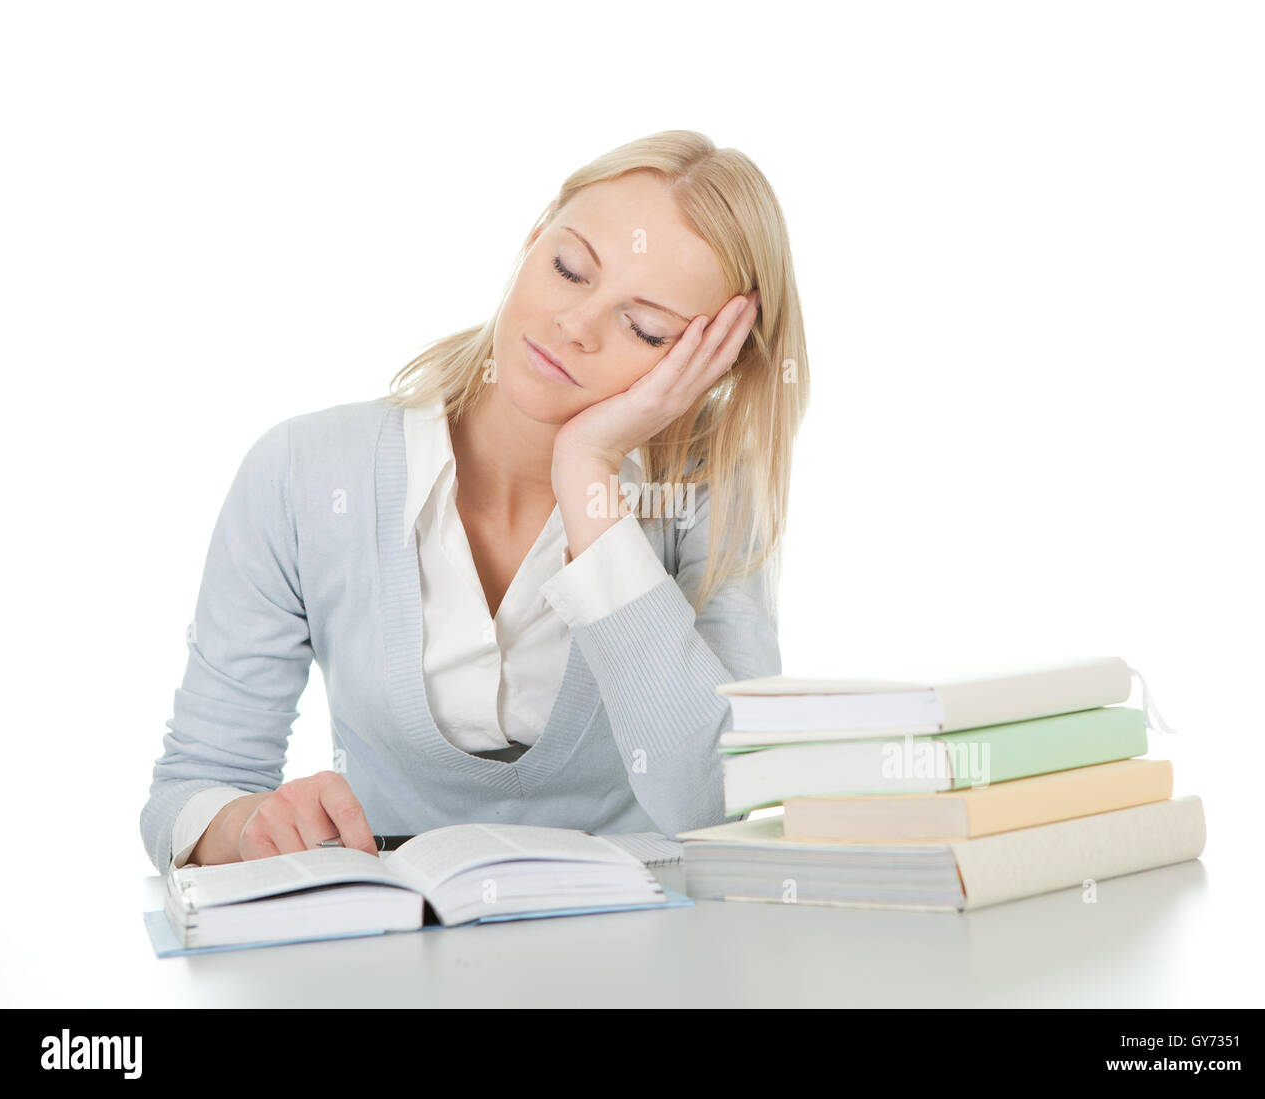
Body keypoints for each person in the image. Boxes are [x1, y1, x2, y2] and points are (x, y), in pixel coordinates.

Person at [140, 129, 811, 873]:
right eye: (569, 268)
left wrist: (590, 478)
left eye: (644, 327)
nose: (575, 325)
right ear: (532, 240)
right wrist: (249, 827)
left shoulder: (710, 491)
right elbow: (190, 788)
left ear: (710, 363)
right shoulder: (304, 472)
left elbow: (716, 801)